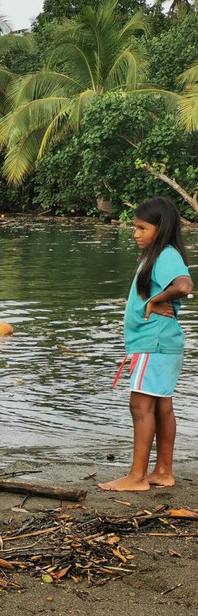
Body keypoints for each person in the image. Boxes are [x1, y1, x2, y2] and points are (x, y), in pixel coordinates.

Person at [99, 197, 192, 492]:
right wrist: (155, 299)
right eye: (135, 228)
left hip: (153, 343)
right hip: (161, 343)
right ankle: (163, 471)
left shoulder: (165, 255)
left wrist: (155, 300)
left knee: (140, 406)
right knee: (161, 405)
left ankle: (137, 476)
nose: (136, 234)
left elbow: (185, 286)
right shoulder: (161, 255)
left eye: (142, 228)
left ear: (160, 228)